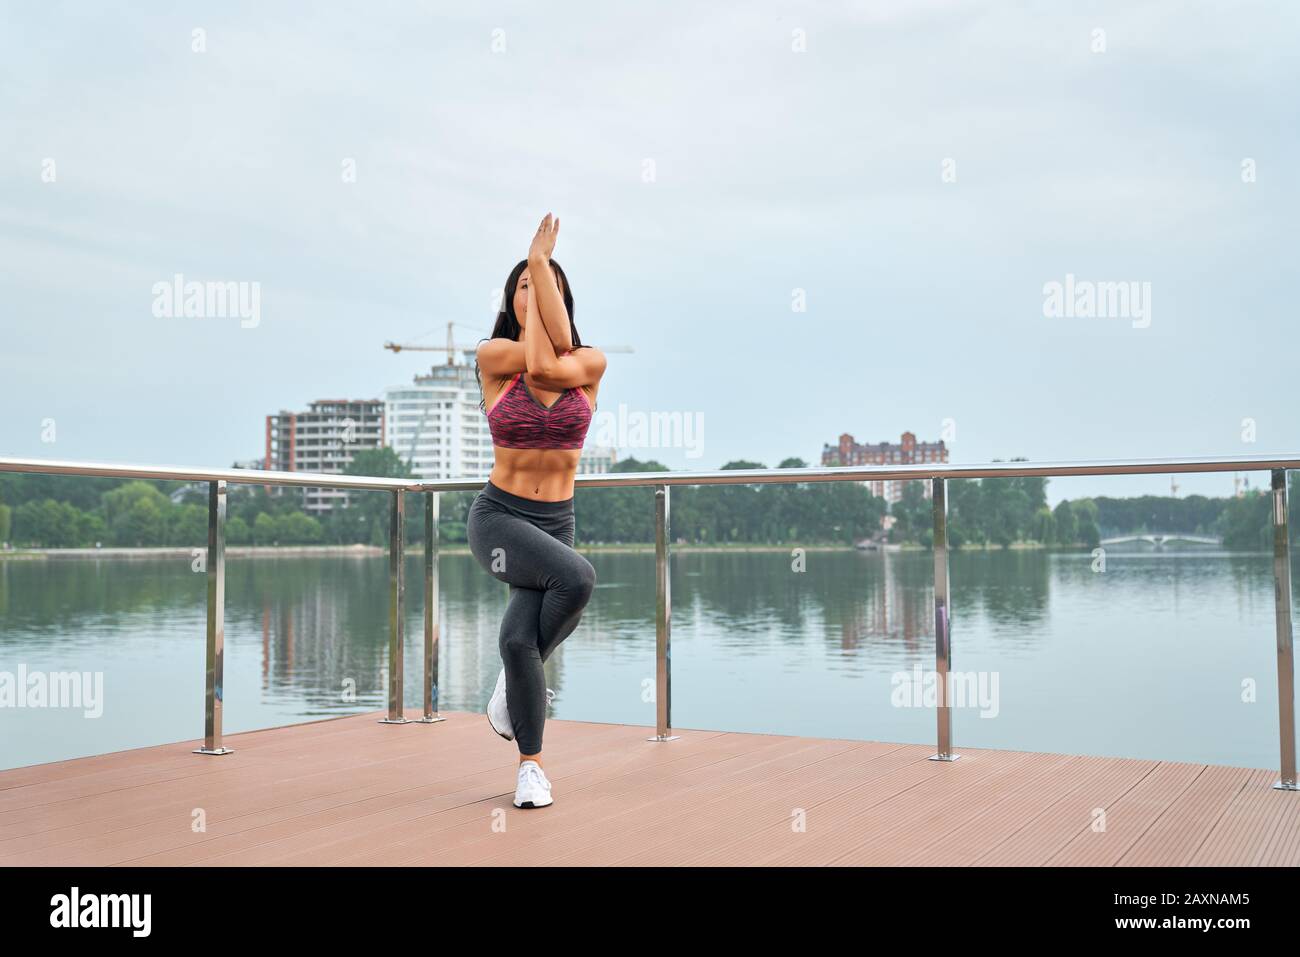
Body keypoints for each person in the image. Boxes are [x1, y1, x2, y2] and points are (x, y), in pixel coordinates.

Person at [468, 213, 607, 809]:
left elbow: (555, 362)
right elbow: (538, 362)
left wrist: (541, 263)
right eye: (522, 283)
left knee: (519, 642)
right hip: (498, 521)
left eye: (542, 283)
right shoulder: (494, 355)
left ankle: (530, 768)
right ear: (510, 300)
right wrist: (537, 259)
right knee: (576, 577)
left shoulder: (590, 364)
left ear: (559, 299)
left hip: (557, 521)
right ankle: (520, 716)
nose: (531, 289)